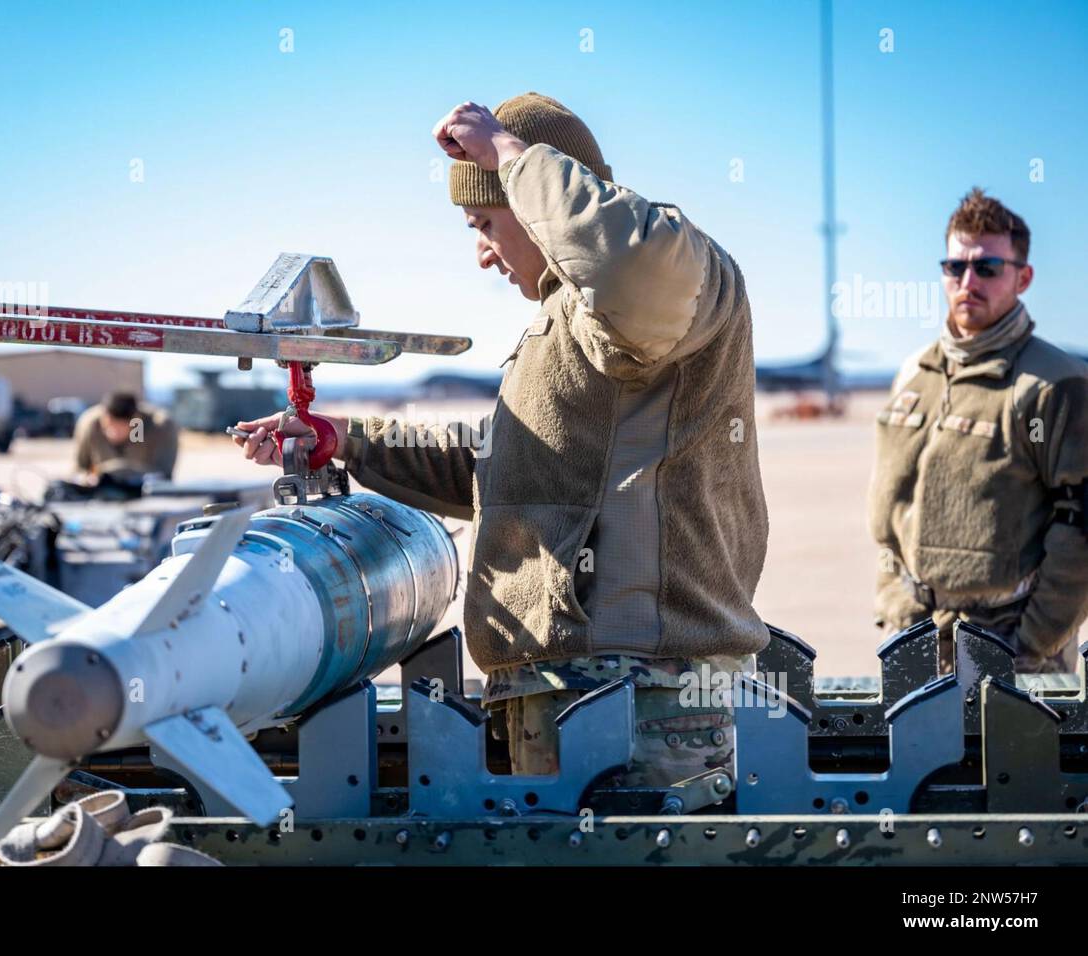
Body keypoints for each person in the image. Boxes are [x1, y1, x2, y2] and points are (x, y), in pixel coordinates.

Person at [236, 93, 770, 789]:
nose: (482, 254)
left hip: (638, 699)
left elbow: (632, 270)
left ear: (537, 197)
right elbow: (509, 464)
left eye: (484, 223)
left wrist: (507, 155)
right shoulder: (569, 319)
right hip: (574, 694)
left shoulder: (670, 278)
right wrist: (344, 440)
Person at [870, 188, 1088, 673]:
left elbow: (1080, 529)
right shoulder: (912, 376)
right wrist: (895, 609)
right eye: (955, 267)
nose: (968, 281)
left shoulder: (1053, 385)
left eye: (987, 268)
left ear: (1023, 277)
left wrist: (1028, 646)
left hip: (1012, 650)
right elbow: (888, 517)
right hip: (913, 642)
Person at [73, 391, 178, 481]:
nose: (112, 432)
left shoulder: (160, 426)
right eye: (109, 425)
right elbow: (79, 470)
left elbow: (164, 475)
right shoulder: (90, 423)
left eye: (121, 427)